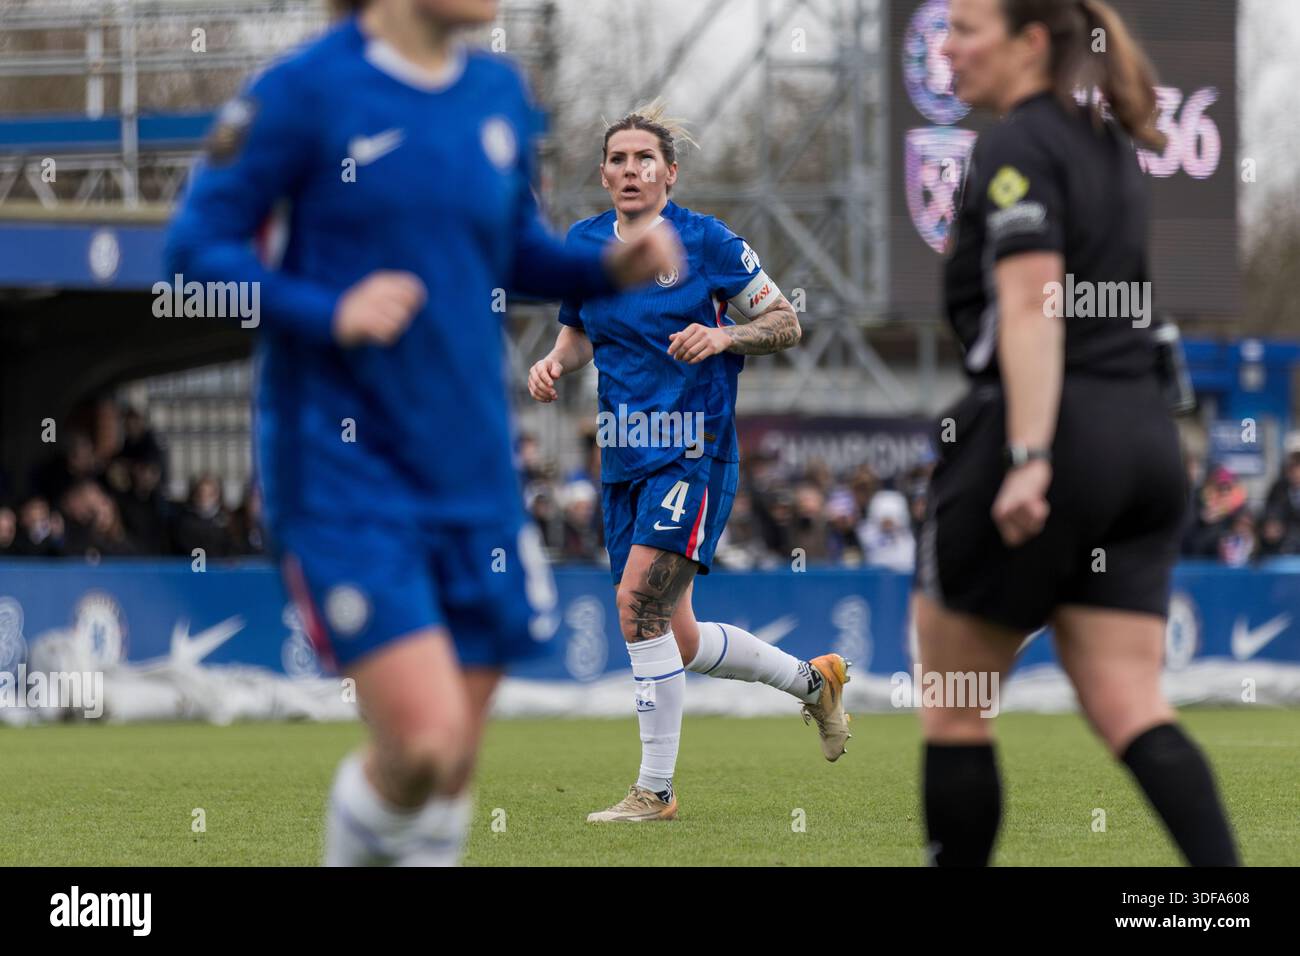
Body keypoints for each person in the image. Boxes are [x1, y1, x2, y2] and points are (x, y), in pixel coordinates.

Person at [165, 0, 682, 865]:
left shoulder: (496, 93)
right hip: (343, 470)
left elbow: (512, 250)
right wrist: (329, 310)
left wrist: (601, 268)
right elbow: (194, 252)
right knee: (426, 740)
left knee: (449, 767)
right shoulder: (305, 92)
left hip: (469, 470)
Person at [915, 0, 1238, 865]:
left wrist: (1027, 457)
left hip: (1052, 438)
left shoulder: (1018, 144)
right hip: (1143, 445)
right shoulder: (1107, 145)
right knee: (1133, 704)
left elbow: (1031, 307)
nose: (946, 48)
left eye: (967, 30)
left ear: (1030, 42)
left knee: (955, 704)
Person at [528, 103, 851, 823]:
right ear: (604, 172)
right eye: (618, 159)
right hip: (624, 457)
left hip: (692, 449)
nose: (631, 169)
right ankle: (814, 682)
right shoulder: (586, 245)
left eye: (646, 158)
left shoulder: (708, 242)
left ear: (670, 173)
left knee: (637, 605)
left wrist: (724, 337)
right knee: (678, 635)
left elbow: (785, 322)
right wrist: (553, 361)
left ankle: (656, 792)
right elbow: (580, 331)